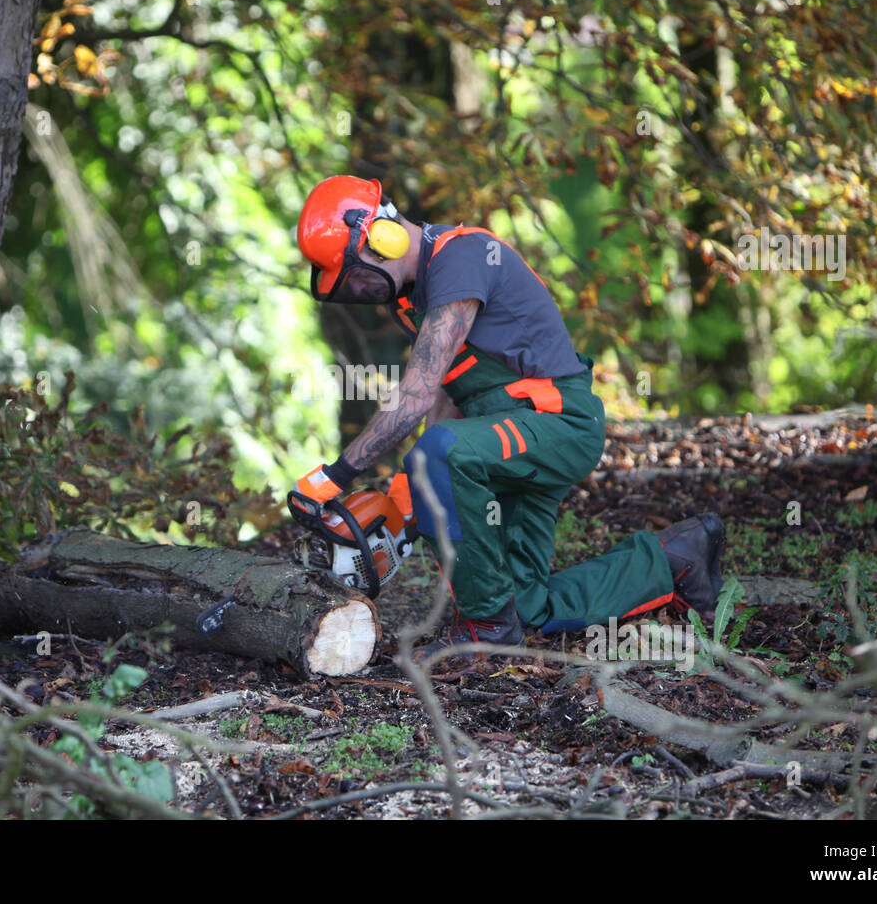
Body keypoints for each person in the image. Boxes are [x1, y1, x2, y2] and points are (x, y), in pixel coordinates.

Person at [291, 175, 725, 661]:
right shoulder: (417, 295)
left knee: (440, 455)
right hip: (504, 443)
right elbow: (446, 397)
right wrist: (411, 495)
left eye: (358, 275)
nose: (363, 291)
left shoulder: (460, 257)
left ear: (380, 237)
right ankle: (674, 560)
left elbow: (414, 394)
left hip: (558, 425)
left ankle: (485, 627)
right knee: (528, 606)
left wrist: (335, 476)